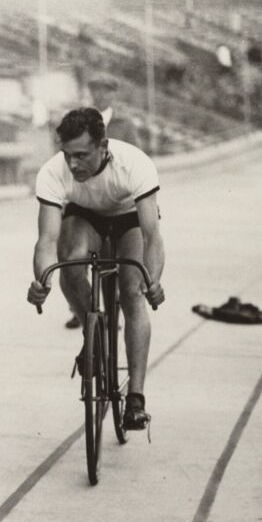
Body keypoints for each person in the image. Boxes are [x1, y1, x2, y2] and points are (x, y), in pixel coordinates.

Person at [26, 107, 166, 430]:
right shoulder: (53, 172)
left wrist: (153, 280)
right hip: (86, 215)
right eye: (67, 155)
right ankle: (95, 334)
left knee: (132, 290)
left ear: (104, 146)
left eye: (82, 155)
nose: (73, 164)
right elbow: (47, 240)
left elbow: (151, 235)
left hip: (129, 216)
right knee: (70, 261)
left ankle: (135, 399)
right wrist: (41, 281)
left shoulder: (135, 164)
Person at [64, 74, 142, 331]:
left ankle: (112, 310)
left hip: (116, 199)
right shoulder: (80, 122)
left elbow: (137, 162)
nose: (100, 95)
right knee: (76, 256)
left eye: (105, 91)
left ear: (112, 94)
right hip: (87, 201)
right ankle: (84, 311)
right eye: (95, 90)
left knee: (115, 260)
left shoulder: (124, 125)